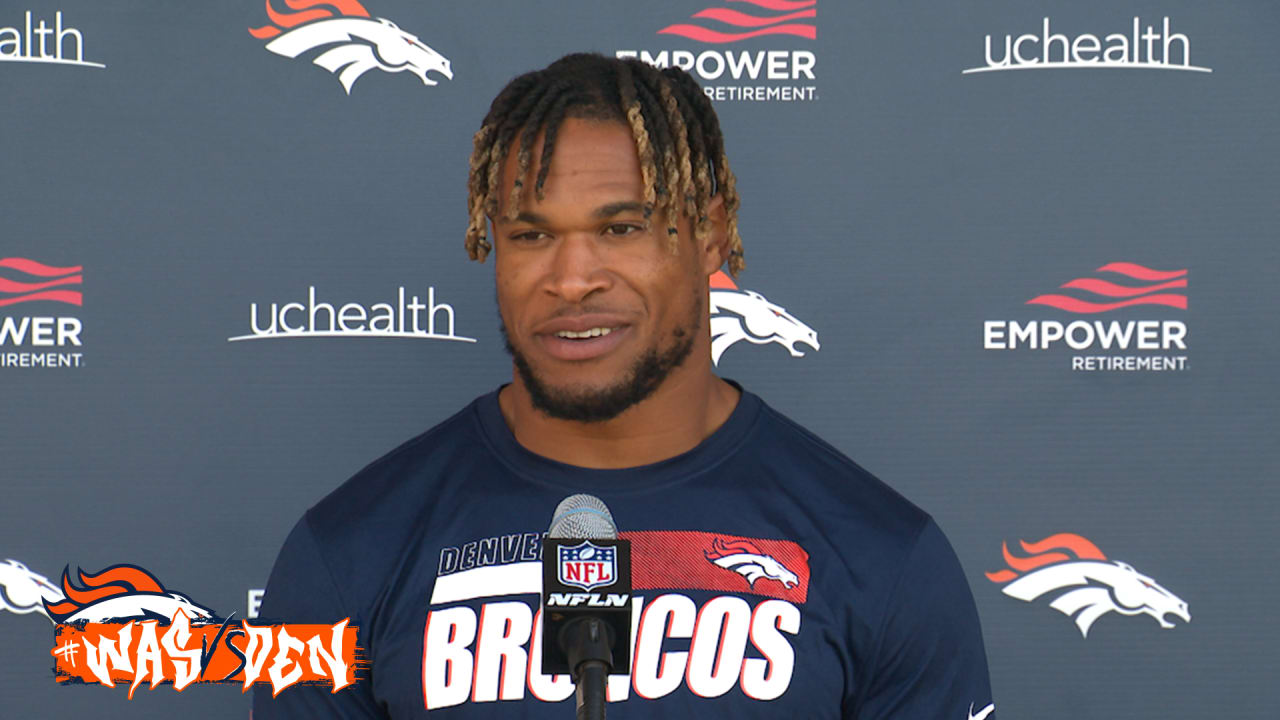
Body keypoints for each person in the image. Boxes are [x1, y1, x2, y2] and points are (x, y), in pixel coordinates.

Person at [253, 52, 995, 719]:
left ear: (710, 232)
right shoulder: (346, 555)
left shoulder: (883, 559)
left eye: (622, 229)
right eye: (531, 235)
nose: (572, 280)